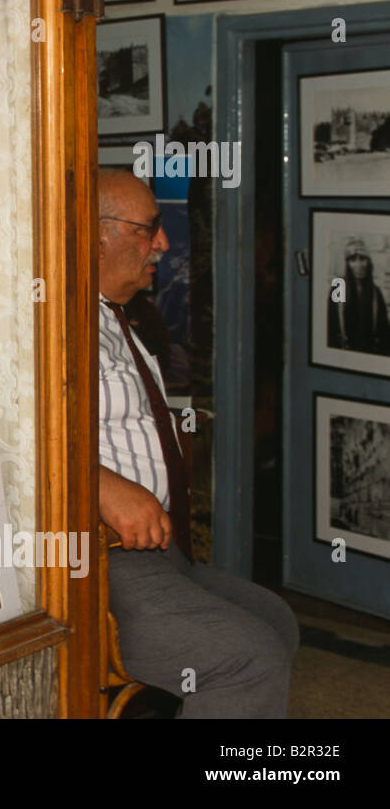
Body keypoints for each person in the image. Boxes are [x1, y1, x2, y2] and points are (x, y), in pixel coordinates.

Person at [97, 167, 298, 718]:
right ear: (98, 236)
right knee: (246, 658)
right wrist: (97, 484)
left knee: (275, 619)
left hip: (161, 548)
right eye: (148, 229)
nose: (162, 243)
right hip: (106, 559)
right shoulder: (56, 325)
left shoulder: (119, 320)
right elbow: (19, 433)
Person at [328, 236, 390, 355]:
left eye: (362, 259)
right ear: (347, 264)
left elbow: (384, 334)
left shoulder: (375, 293)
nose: (358, 264)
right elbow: (332, 324)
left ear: (368, 262)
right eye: (353, 260)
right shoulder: (338, 287)